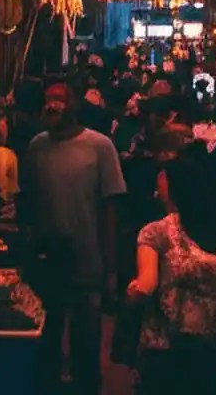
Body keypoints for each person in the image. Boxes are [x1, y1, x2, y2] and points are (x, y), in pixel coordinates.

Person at [19, 84, 127, 395]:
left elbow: (110, 208)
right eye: (47, 100)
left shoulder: (99, 147)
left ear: (72, 105)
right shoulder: (37, 147)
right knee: (46, 332)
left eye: (58, 100)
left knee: (86, 337)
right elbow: (28, 198)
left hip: (87, 258)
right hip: (45, 260)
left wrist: (110, 265)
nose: (52, 106)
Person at [127, 141, 216, 395]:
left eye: (161, 188)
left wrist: (132, 292)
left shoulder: (155, 233)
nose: (156, 194)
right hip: (212, 350)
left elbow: (146, 283)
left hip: (165, 349)